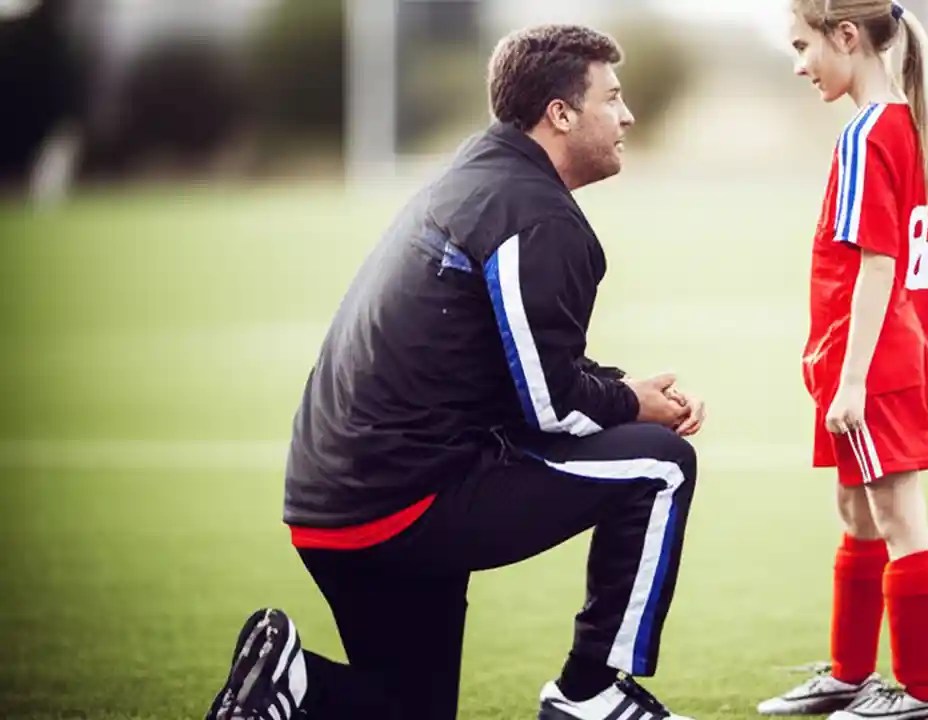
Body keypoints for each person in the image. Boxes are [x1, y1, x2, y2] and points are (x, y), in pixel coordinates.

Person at [204, 24, 706, 720]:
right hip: (401, 501)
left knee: (410, 709)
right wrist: (634, 405)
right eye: (611, 99)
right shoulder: (538, 217)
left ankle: (289, 682)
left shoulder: (475, 179)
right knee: (662, 465)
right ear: (559, 113)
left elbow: (514, 361)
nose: (626, 116)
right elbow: (549, 408)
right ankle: (592, 692)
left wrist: (623, 391)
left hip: (334, 502)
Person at [755, 2, 928, 719]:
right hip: (879, 351)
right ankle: (850, 674)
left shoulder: (869, 132)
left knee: (898, 515)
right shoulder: (902, 122)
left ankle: (925, 695)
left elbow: (876, 266)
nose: (799, 63)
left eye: (803, 45)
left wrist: (852, 379)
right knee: (857, 509)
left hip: (869, 358)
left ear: (847, 37)